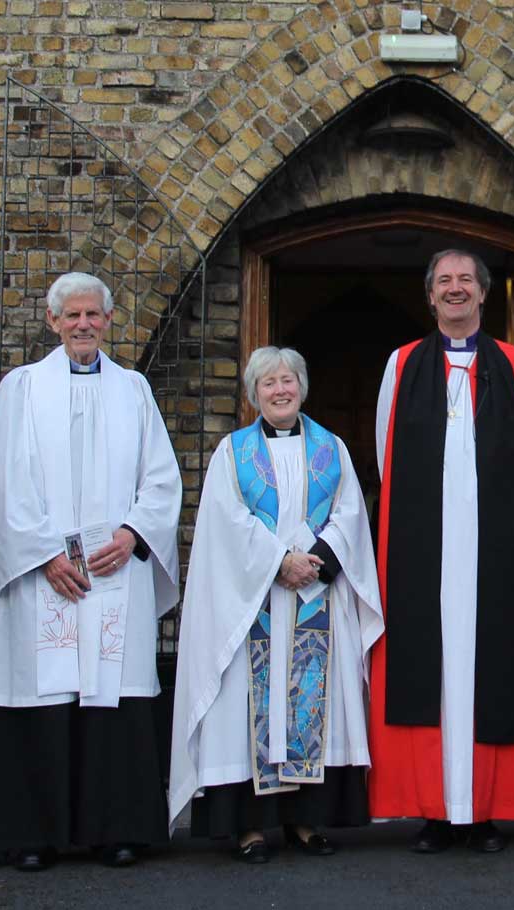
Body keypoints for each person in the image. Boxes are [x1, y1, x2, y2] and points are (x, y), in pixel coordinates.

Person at [0, 272, 182, 871]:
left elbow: (160, 477)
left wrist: (133, 534)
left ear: (107, 321)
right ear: (52, 322)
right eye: (71, 316)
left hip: (114, 568)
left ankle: (117, 829)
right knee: (43, 697)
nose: (82, 325)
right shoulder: (21, 388)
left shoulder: (134, 390)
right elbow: (2, 480)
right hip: (40, 573)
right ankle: (31, 833)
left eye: (93, 315)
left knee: (115, 703)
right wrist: (43, 554)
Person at [169, 346, 384, 863]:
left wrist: (316, 560)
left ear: (301, 387)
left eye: (287, 380)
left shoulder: (331, 448)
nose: (280, 390)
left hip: (316, 598)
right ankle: (249, 827)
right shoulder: (232, 452)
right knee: (247, 712)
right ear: (254, 393)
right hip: (254, 603)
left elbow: (351, 513)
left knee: (314, 706)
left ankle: (307, 820)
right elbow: (226, 522)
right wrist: (278, 562)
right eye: (268, 383)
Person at [369, 248, 514, 853]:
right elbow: (384, 455)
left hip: (492, 550)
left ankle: (487, 810)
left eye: (465, 279)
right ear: (430, 294)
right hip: (426, 545)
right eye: (444, 280)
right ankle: (434, 811)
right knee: (431, 672)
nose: (455, 289)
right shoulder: (403, 364)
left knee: (489, 667)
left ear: (483, 292)